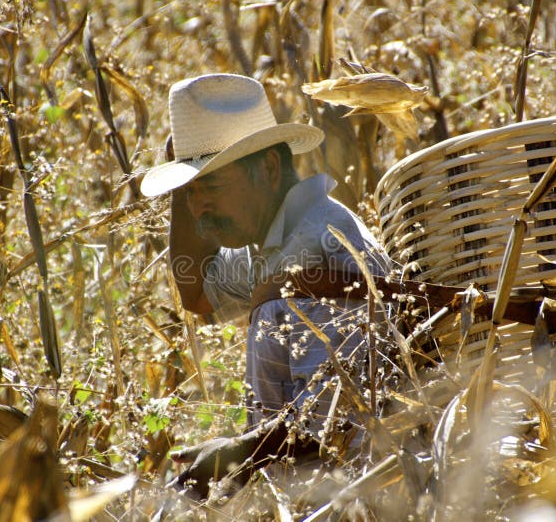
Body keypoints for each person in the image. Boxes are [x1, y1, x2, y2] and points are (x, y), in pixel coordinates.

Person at [140, 73, 391, 499]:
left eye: (212, 186)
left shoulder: (315, 247)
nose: (198, 206)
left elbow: (333, 421)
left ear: (270, 169)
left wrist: (237, 452)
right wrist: (184, 178)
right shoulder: (274, 241)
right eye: (190, 192)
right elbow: (198, 294)